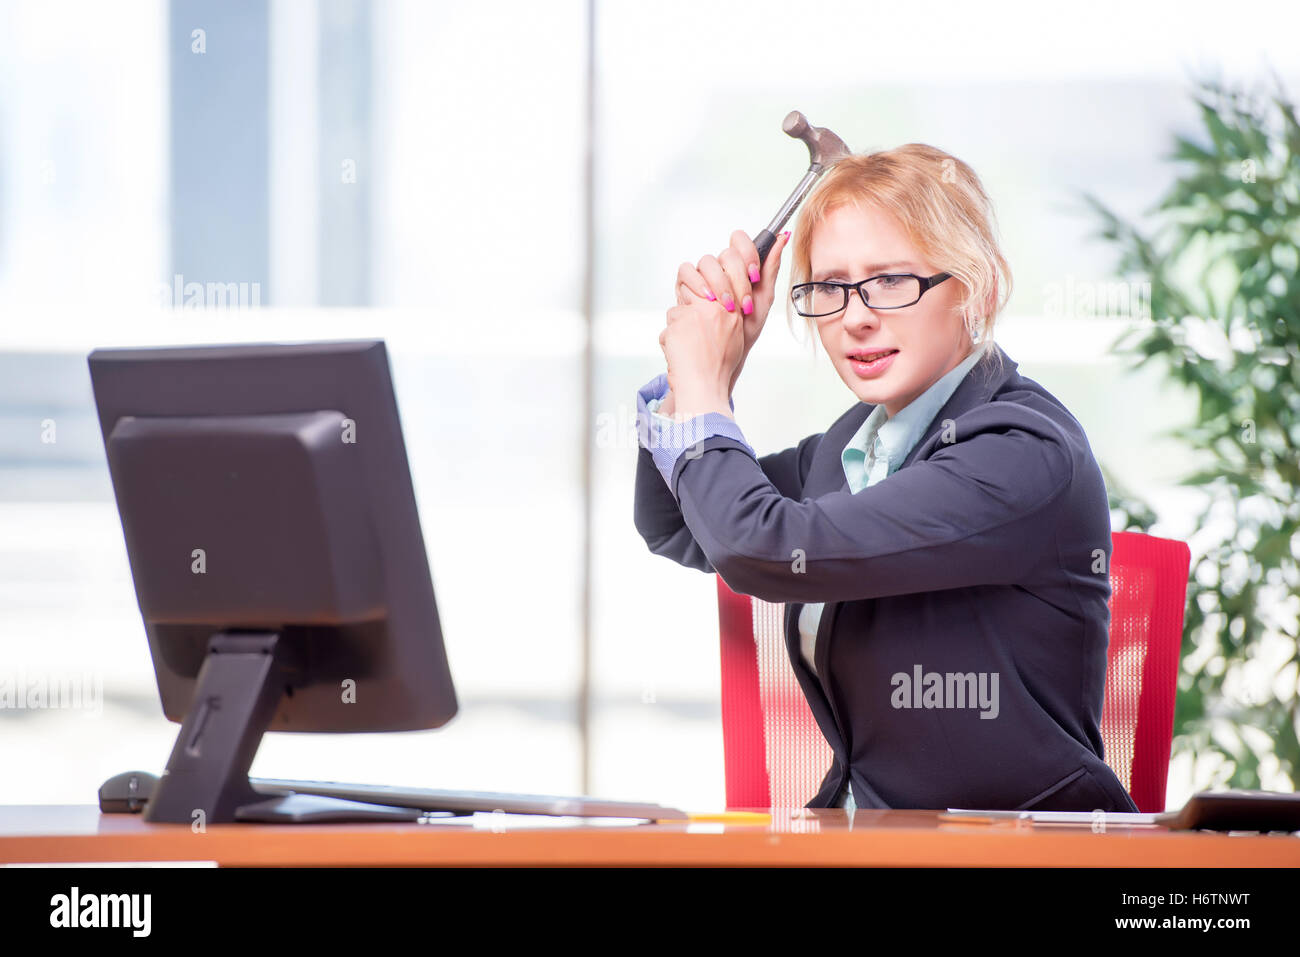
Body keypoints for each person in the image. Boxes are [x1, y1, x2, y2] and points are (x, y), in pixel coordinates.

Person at [632, 142, 1139, 813]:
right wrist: (697, 376)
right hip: (868, 839)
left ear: (977, 286)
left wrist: (705, 392)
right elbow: (675, 522)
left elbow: (755, 544)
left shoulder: (1022, 450)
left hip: (1017, 855)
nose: (856, 314)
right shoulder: (853, 446)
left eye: (892, 280)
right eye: (831, 287)